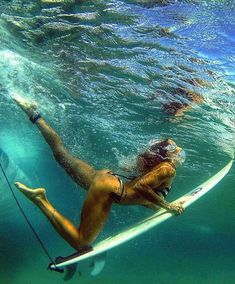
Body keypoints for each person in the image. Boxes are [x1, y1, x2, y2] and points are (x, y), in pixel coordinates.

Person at [13, 96, 185, 251]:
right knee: (81, 242)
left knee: (62, 154)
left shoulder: (157, 166)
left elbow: (144, 193)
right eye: (174, 149)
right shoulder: (167, 168)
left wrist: (156, 206)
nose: (178, 151)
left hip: (106, 178)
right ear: (166, 154)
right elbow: (141, 187)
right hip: (109, 189)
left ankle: (33, 113)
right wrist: (167, 206)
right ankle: (40, 199)